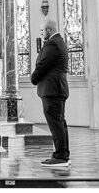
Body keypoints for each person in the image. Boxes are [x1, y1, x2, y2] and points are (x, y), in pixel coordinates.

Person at [31, 18, 70, 167]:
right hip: (57, 88)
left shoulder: (53, 43)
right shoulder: (59, 41)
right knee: (60, 122)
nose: (42, 34)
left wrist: (33, 78)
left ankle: (60, 156)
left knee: (56, 123)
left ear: (49, 29)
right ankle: (63, 154)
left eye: (43, 31)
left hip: (52, 89)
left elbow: (42, 65)